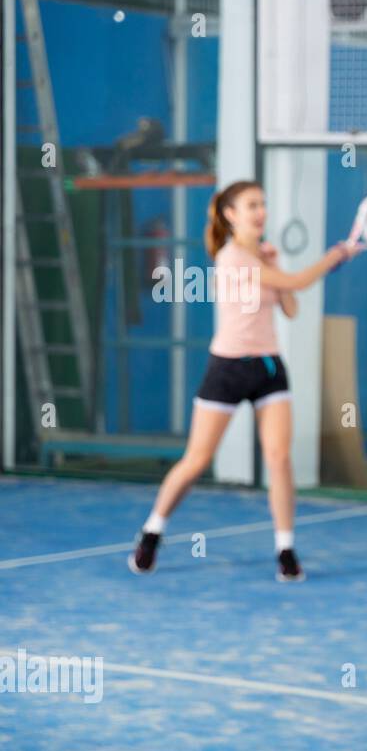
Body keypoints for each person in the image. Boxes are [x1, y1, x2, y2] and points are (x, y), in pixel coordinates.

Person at [128, 180, 352, 581]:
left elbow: (291, 308)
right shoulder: (232, 258)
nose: (260, 211)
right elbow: (300, 284)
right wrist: (335, 256)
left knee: (279, 459)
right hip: (227, 369)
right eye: (251, 205)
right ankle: (152, 532)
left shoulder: (262, 259)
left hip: (268, 368)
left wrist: (276, 265)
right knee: (196, 461)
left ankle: (285, 548)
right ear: (231, 214)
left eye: (263, 203)